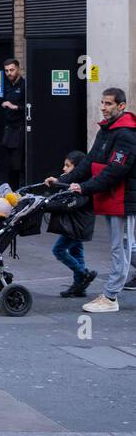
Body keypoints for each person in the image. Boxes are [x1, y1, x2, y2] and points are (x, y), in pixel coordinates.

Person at [49, 87, 136, 312]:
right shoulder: (106, 131)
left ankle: (110, 296)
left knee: (121, 247)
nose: (103, 108)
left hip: (124, 200)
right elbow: (89, 163)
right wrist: (64, 180)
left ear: (121, 106)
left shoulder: (126, 134)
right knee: (126, 246)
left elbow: (115, 171)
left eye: (108, 104)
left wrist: (83, 188)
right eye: (102, 103)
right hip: (111, 198)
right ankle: (111, 292)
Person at [51, 150, 97, 298]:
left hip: (78, 225)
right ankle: (79, 287)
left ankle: (83, 274)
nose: (64, 169)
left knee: (58, 250)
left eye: (67, 166)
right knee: (77, 253)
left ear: (77, 169)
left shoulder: (82, 186)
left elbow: (71, 203)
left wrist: (47, 205)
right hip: (77, 225)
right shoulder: (74, 183)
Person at [1, 59, 26, 189]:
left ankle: (19, 191)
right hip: (9, 130)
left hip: (20, 129)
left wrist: (14, 106)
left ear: (18, 69)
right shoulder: (7, 86)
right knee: (10, 165)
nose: (9, 73)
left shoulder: (24, 86)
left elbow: (29, 107)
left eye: (12, 70)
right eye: (6, 71)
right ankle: (11, 193)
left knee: (18, 165)